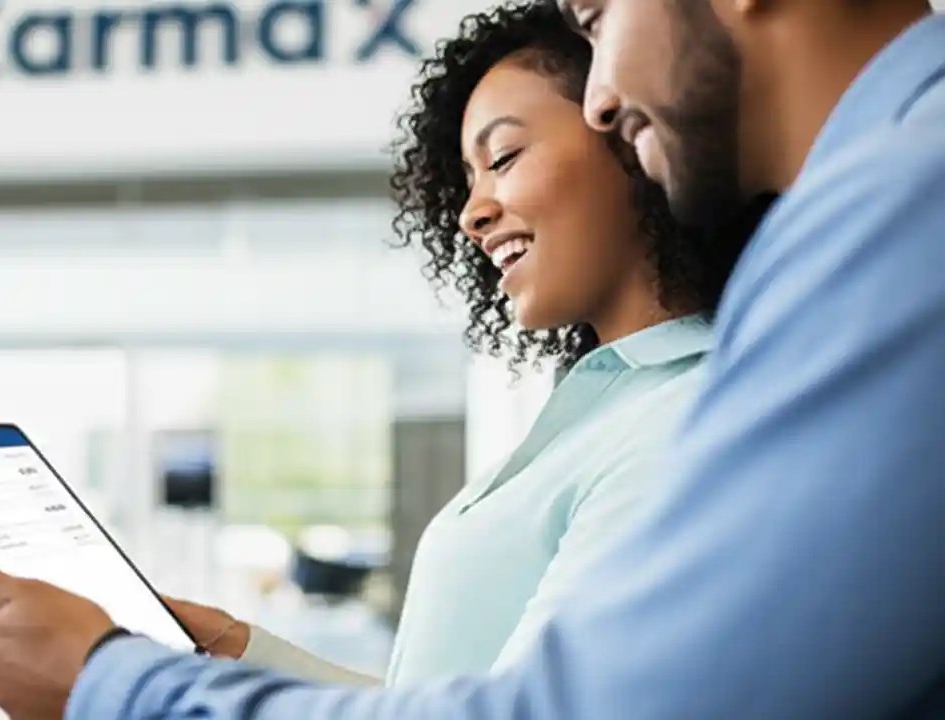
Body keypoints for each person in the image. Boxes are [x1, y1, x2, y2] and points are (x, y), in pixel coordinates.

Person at [0, 0, 945, 717]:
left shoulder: (888, 222)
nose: (605, 100)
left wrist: (117, 683)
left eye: (594, 20)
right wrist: (240, 656)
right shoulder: (614, 392)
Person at [161, 2, 746, 689]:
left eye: (502, 157)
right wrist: (238, 652)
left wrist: (158, 698)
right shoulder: (608, 404)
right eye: (468, 181)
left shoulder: (683, 416)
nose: (473, 213)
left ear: (633, 132)